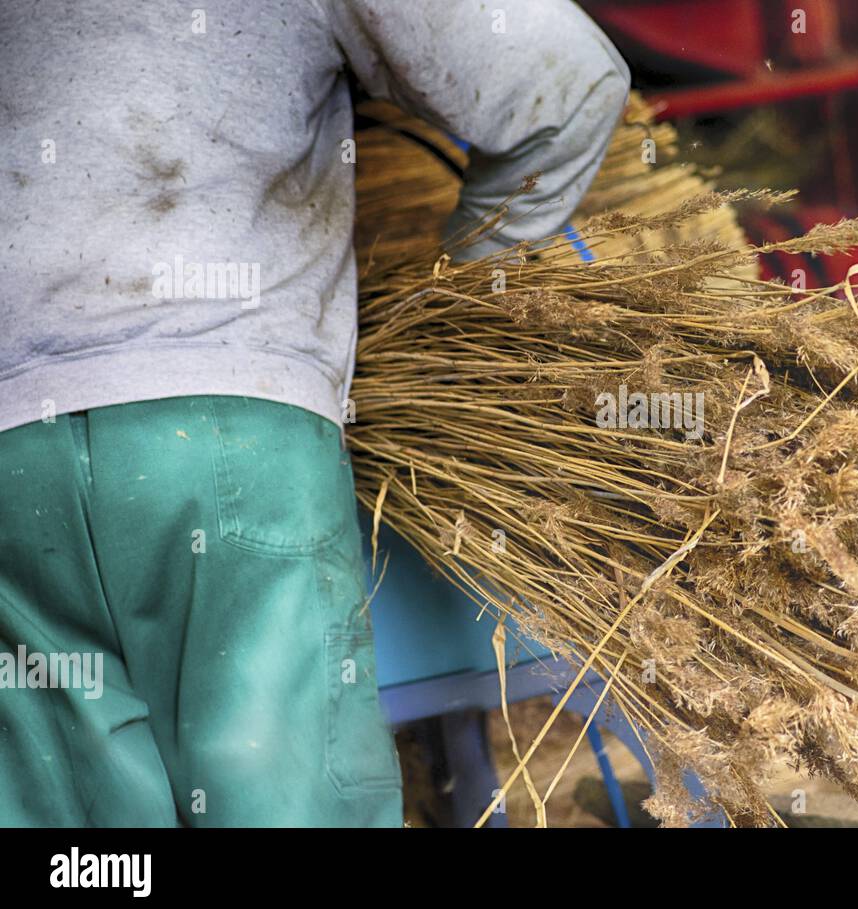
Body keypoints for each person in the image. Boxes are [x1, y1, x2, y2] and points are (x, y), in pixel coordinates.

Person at [0, 0, 629, 827]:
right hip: (229, 432)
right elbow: (570, 84)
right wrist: (460, 300)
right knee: (285, 802)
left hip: (16, 462)